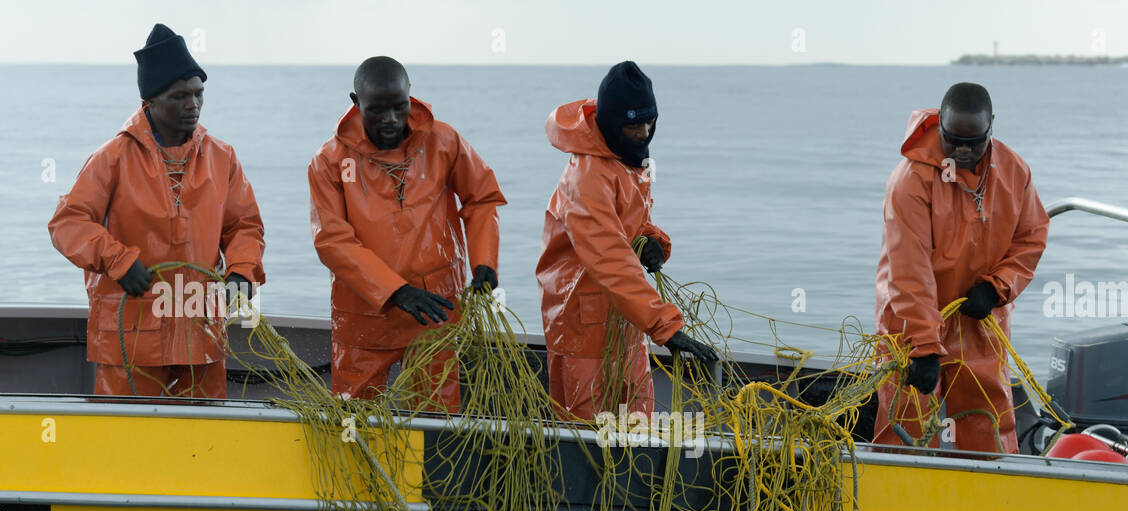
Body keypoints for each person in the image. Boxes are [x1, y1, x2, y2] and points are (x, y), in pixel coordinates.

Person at [48, 23, 264, 398]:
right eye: (180, 96)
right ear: (150, 101)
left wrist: (242, 270)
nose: (192, 105)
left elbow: (244, 226)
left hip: (201, 329)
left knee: (204, 440)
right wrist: (118, 261)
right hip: (131, 334)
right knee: (126, 440)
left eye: (198, 94)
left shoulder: (222, 156)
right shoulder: (111, 158)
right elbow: (67, 223)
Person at [308, 56, 505, 411]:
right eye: (377, 110)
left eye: (399, 108)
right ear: (355, 102)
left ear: (410, 97)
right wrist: (396, 291)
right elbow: (332, 241)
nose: (390, 120)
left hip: (435, 312)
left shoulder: (444, 141)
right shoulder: (329, 161)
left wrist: (485, 262)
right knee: (356, 421)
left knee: (437, 421)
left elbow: (482, 199)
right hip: (364, 316)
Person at [537, 60, 716, 423]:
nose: (644, 133)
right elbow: (609, 258)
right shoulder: (586, 177)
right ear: (610, 123)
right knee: (585, 436)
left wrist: (651, 240)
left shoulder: (628, 158)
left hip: (628, 319)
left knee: (639, 424)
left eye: (650, 123)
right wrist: (665, 325)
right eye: (634, 126)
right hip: (581, 326)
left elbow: (632, 223)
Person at [873, 82, 1049, 453]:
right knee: (906, 429)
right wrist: (923, 348)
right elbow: (909, 270)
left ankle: (992, 500)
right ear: (939, 126)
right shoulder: (910, 182)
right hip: (913, 322)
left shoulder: (1015, 171)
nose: (964, 150)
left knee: (987, 424)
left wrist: (997, 286)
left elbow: (1031, 236)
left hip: (979, 320)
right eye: (953, 140)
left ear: (991, 127)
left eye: (975, 141)